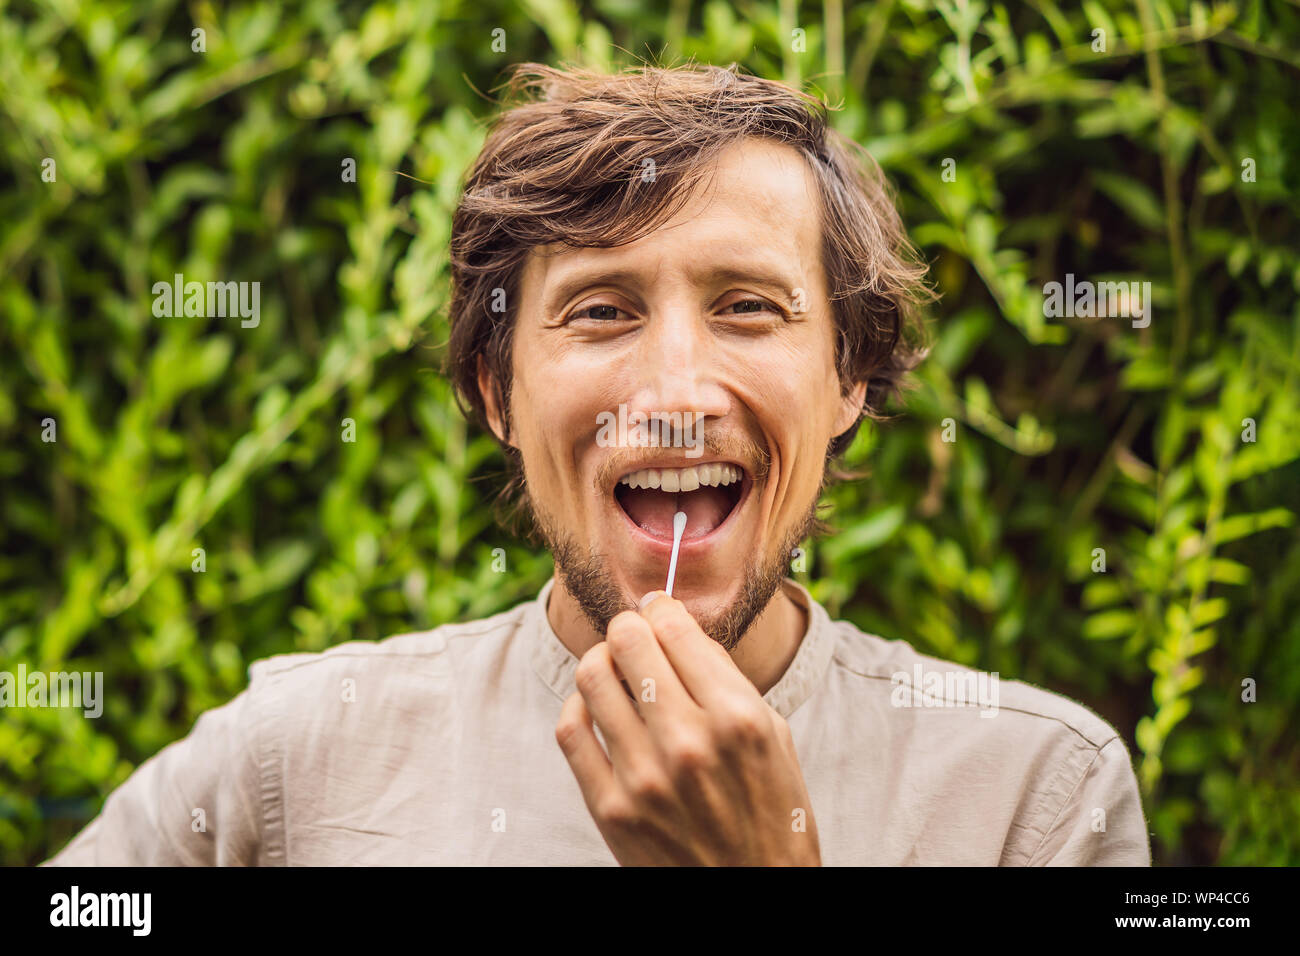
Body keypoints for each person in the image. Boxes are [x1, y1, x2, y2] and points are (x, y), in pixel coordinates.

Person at [46, 63, 1149, 866]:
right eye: (601, 309)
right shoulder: (297, 748)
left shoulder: (1037, 794)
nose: (674, 396)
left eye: (749, 307)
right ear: (497, 392)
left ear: (847, 378)